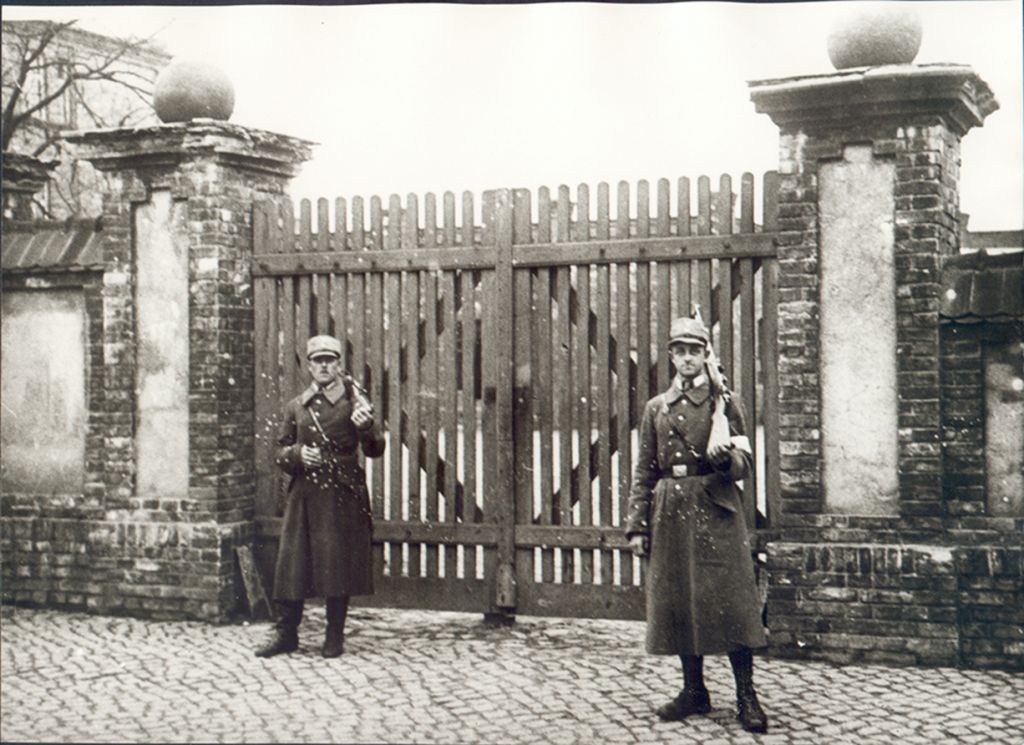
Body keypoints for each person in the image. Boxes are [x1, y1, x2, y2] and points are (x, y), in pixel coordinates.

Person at [625, 315, 768, 733]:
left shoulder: (726, 402)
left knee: (734, 600)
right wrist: (637, 525)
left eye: (695, 351)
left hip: (716, 506)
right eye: (680, 351)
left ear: (706, 355)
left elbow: (743, 465)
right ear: (671, 356)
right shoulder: (657, 408)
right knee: (682, 599)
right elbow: (644, 470)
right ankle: (694, 691)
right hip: (670, 511)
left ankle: (746, 694)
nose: (687, 358)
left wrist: (726, 459)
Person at [255, 334, 385, 659]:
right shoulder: (297, 406)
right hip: (305, 493)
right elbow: (279, 450)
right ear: (310, 366)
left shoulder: (355, 402)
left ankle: (334, 634)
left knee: (335, 562)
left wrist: (367, 427)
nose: (324, 366)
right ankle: (287, 633)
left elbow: (375, 449)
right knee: (292, 562)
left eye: (330, 360)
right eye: (318, 360)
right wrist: (298, 455)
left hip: (341, 491)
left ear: (339, 364)